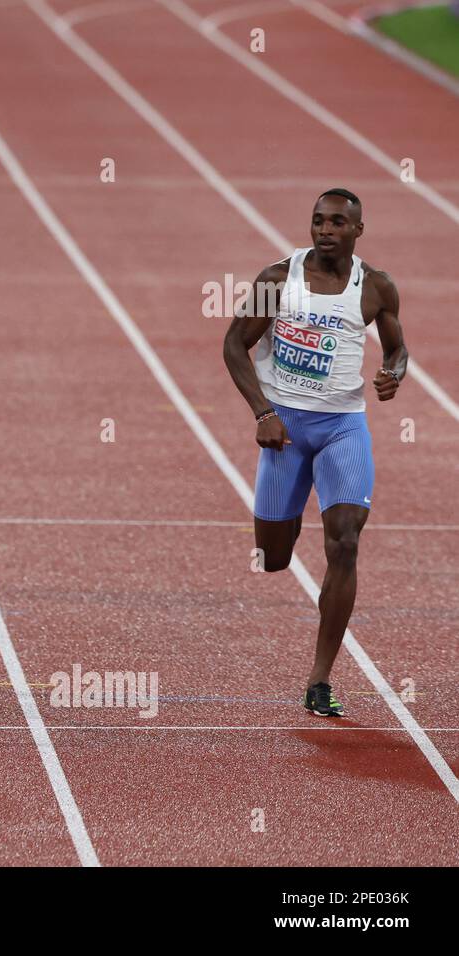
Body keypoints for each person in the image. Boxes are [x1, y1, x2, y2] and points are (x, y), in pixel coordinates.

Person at [223, 188, 406, 717]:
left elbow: (397, 346)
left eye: (337, 223)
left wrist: (395, 370)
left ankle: (320, 679)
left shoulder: (376, 287)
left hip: (342, 428)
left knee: (345, 542)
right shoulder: (277, 280)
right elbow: (234, 344)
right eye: (318, 221)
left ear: (357, 231)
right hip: (285, 427)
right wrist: (263, 412)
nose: (325, 230)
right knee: (274, 558)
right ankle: (292, 511)